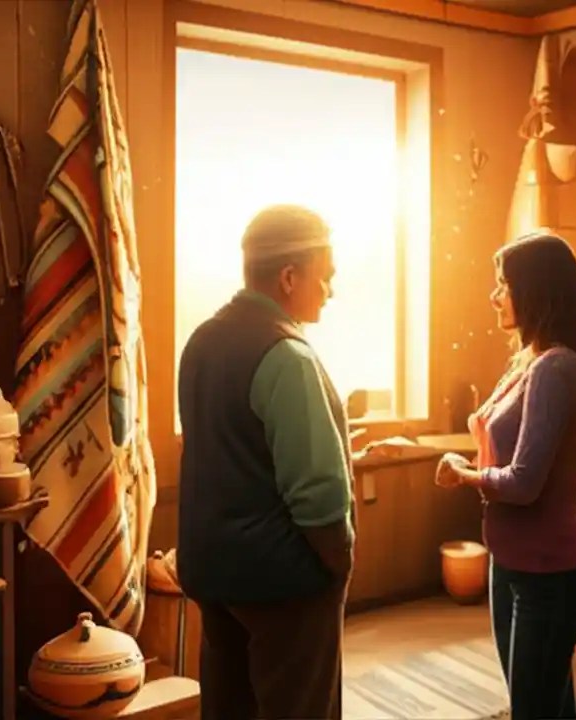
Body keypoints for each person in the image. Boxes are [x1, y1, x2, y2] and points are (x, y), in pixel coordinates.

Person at [176, 204, 354, 720]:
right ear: (289, 276)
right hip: (284, 584)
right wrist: (337, 565)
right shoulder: (288, 357)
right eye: (326, 276)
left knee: (230, 708)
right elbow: (318, 494)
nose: (331, 290)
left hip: (216, 573)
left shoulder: (202, 342)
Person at [434, 233, 576, 720]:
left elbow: (524, 482)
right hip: (513, 564)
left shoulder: (555, 368)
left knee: (534, 712)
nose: (494, 296)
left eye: (503, 285)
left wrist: (465, 476)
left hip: (549, 577)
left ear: (535, 291)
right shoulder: (528, 360)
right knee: (550, 709)